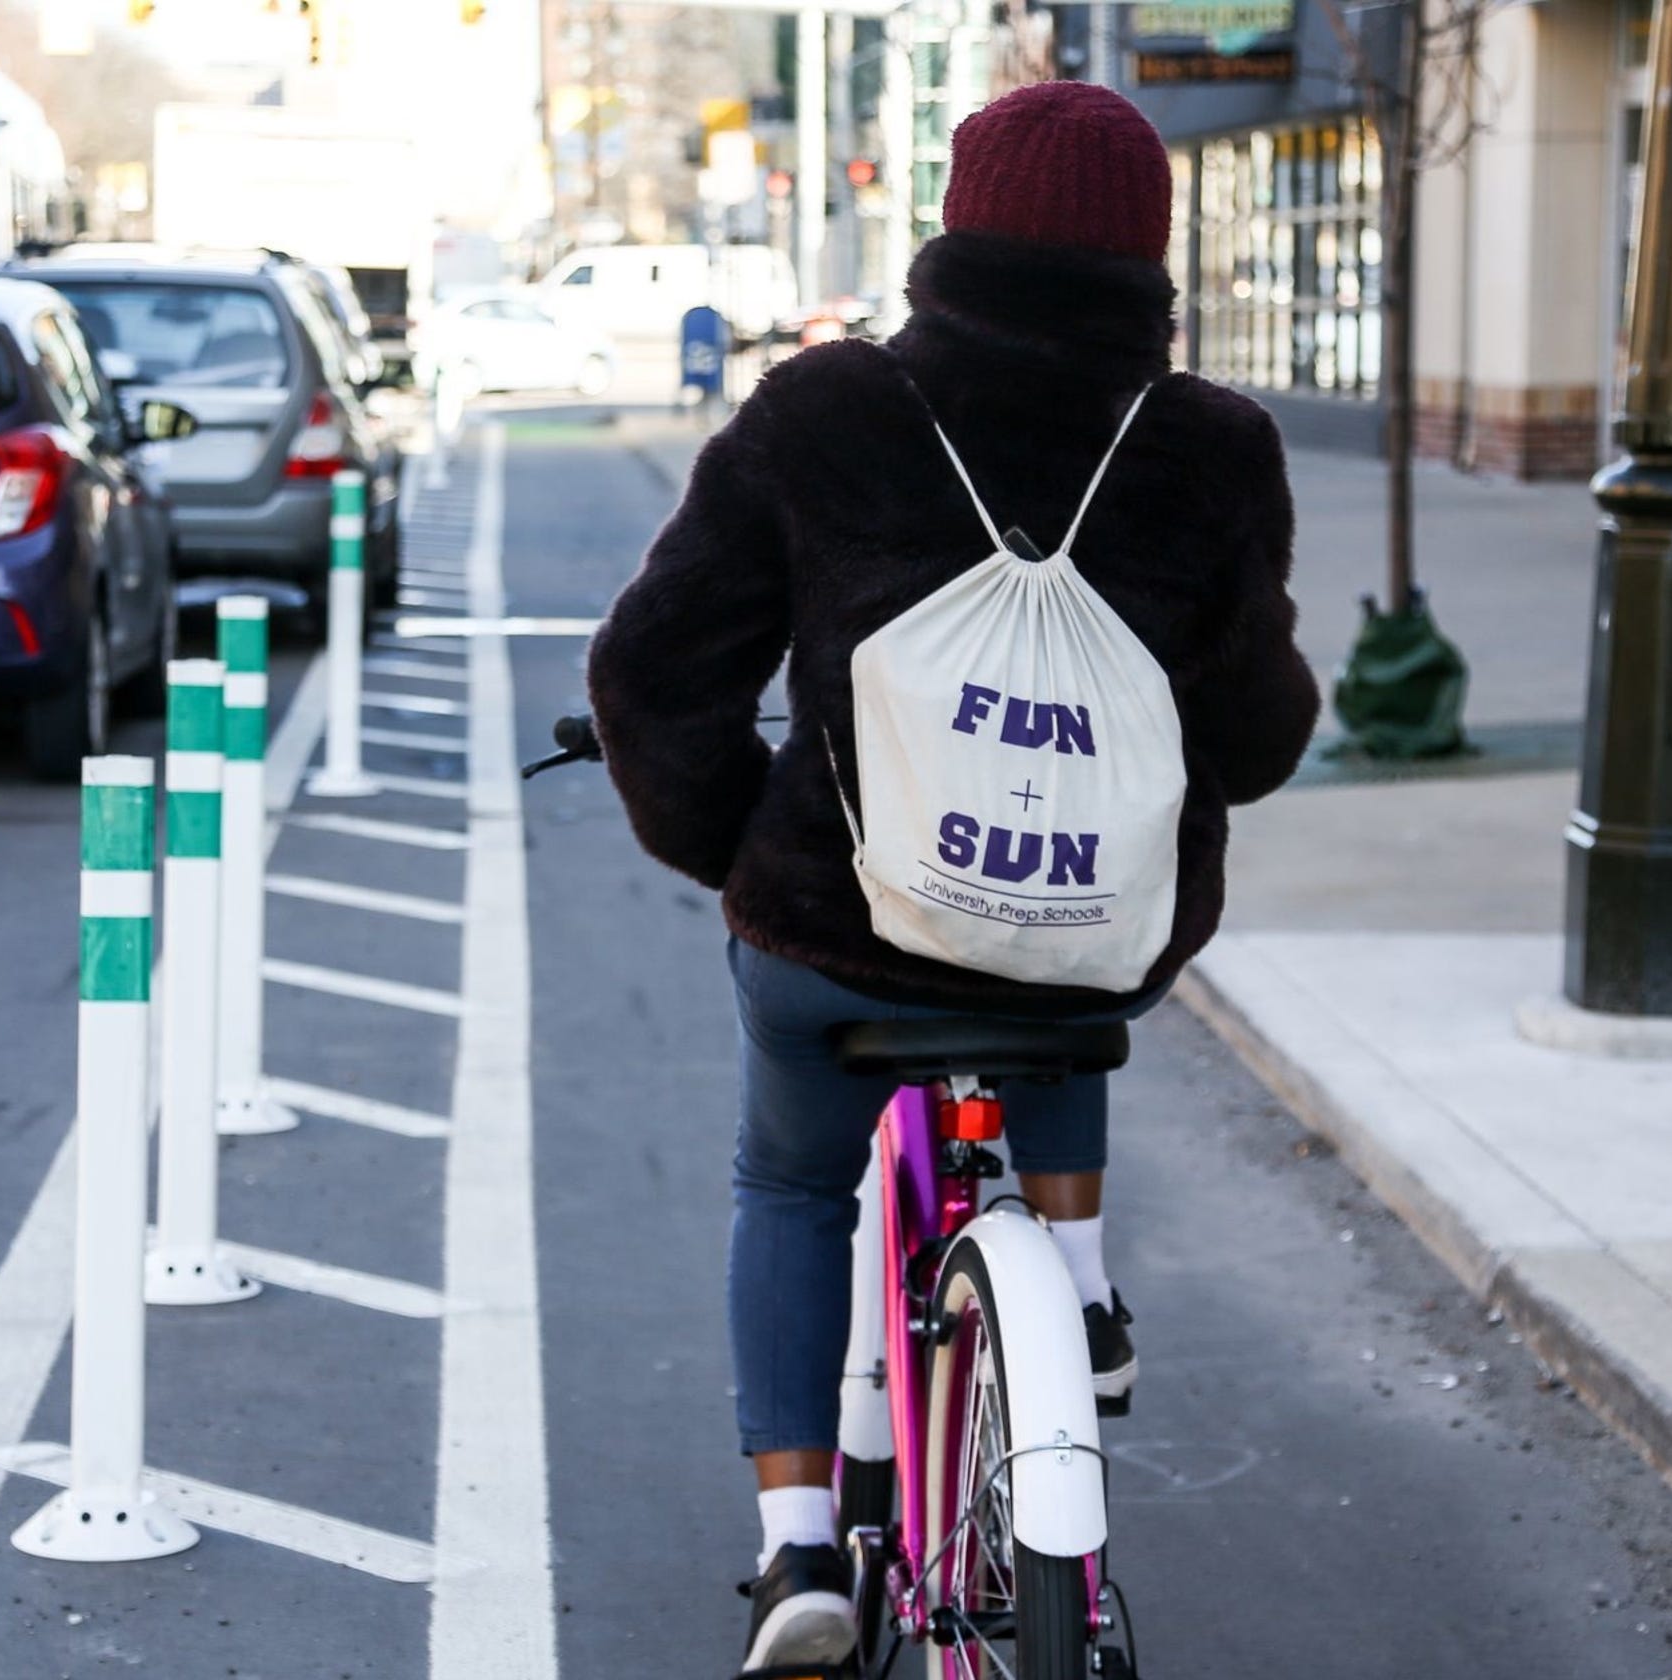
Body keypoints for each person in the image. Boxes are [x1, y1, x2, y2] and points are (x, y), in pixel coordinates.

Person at [584, 80, 1320, 1675]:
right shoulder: (1213, 445)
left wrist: (746, 854)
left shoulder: (826, 410)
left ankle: (797, 1552)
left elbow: (656, 675)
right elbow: (1257, 735)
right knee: (1062, 942)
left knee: (793, 1183)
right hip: (1088, 952)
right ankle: (1081, 1288)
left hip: (835, 941)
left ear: (955, 226)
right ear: (1151, 250)